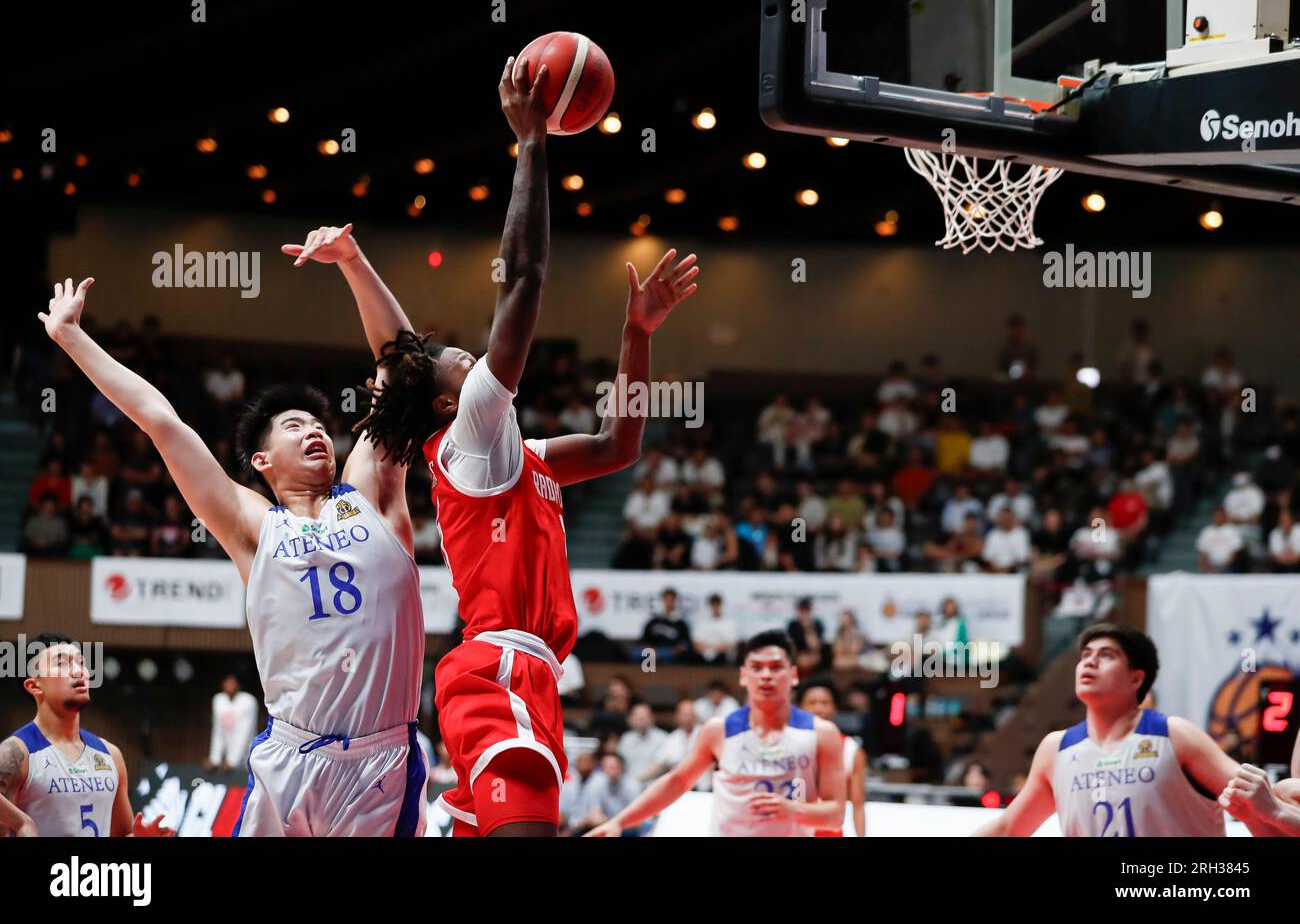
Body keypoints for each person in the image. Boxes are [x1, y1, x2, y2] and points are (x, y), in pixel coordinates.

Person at [349, 57, 699, 837]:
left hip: (521, 670)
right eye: (458, 362)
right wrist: (532, 144)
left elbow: (618, 446)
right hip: (498, 668)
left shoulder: (515, 451)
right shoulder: (468, 433)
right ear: (448, 399)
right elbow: (525, 280)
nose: (473, 357)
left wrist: (634, 338)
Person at [43, 238, 428, 836]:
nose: (313, 432)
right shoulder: (253, 524)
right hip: (291, 758)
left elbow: (403, 370)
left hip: (381, 761)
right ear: (262, 460)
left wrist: (354, 261)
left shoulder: (373, 493)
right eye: (293, 426)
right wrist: (72, 339)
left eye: (319, 424)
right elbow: (161, 422)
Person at [974, 624, 1275, 837]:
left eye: (1106, 655)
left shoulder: (1175, 736)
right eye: (1086, 654)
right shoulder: (1057, 748)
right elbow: (1008, 829)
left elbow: (1263, 806)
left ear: (1136, 678)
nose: (1090, 661)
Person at [587, 631, 846, 837]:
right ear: (744, 676)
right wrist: (619, 822)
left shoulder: (821, 733)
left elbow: (835, 813)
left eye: (776, 667)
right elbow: (677, 782)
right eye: (757, 667)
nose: (766, 675)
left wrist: (793, 809)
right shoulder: (719, 730)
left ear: (793, 675)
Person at [0, 633, 174, 837]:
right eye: (62, 663)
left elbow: (122, 833)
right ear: (35, 685)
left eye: (81, 663)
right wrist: (23, 823)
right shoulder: (16, 755)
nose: (78, 671)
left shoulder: (110, 755)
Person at [798, 678, 866, 837]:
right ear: (800, 708)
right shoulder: (787, 743)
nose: (819, 708)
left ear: (834, 708)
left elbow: (858, 804)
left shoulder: (851, 749)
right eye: (812, 702)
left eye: (824, 702)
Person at [206, 674, 259, 772]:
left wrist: (232, 761)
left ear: (238, 684)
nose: (229, 685)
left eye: (232, 681)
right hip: (228, 762)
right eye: (227, 681)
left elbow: (244, 733)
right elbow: (218, 732)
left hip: (248, 758)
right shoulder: (218, 700)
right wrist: (214, 759)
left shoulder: (248, 701)